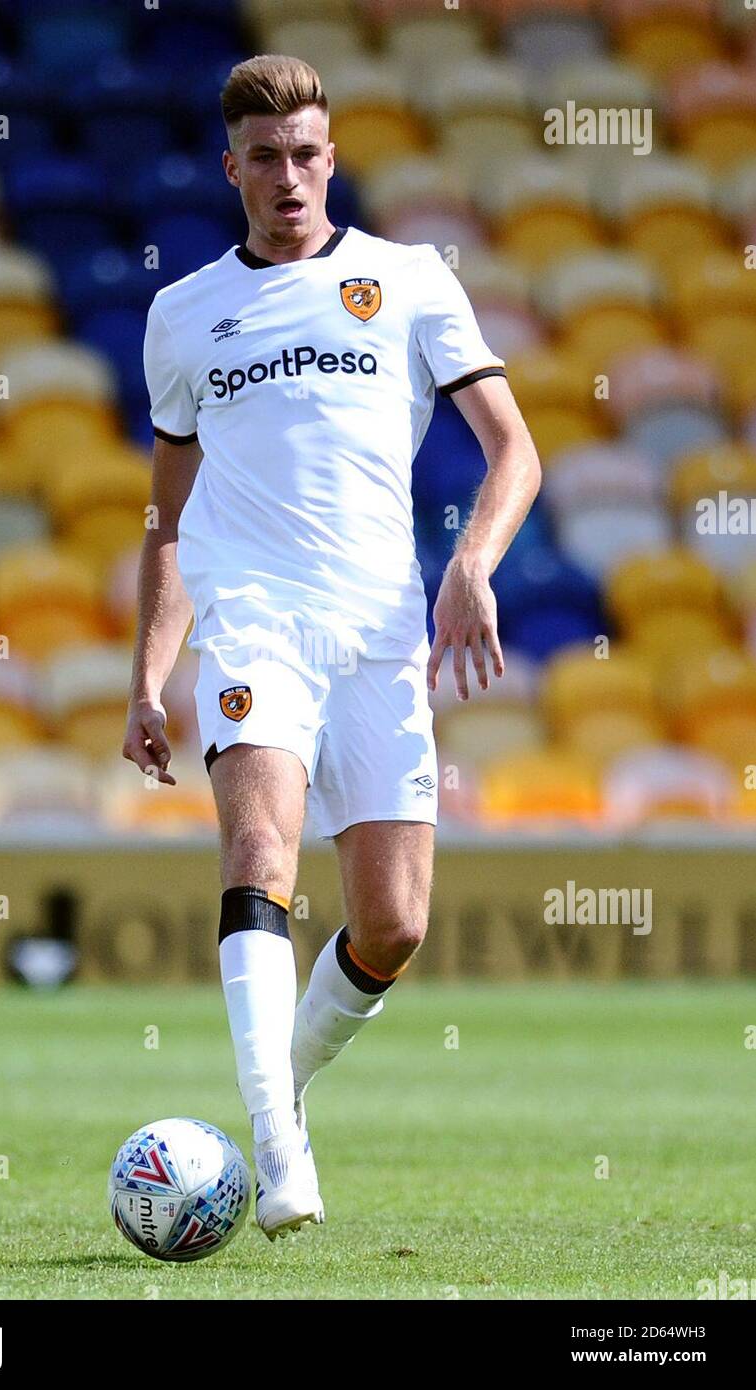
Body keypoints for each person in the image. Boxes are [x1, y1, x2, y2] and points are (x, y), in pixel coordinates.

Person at [123, 54, 541, 1241]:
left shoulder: (406, 282)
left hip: (380, 626)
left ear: (331, 157)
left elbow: (513, 451)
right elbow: (166, 517)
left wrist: (471, 564)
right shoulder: (184, 313)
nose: (287, 177)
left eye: (305, 154)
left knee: (392, 924)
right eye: (263, 157)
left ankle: (281, 1089)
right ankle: (272, 1147)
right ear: (231, 169)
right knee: (259, 849)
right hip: (256, 610)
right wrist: (147, 674)